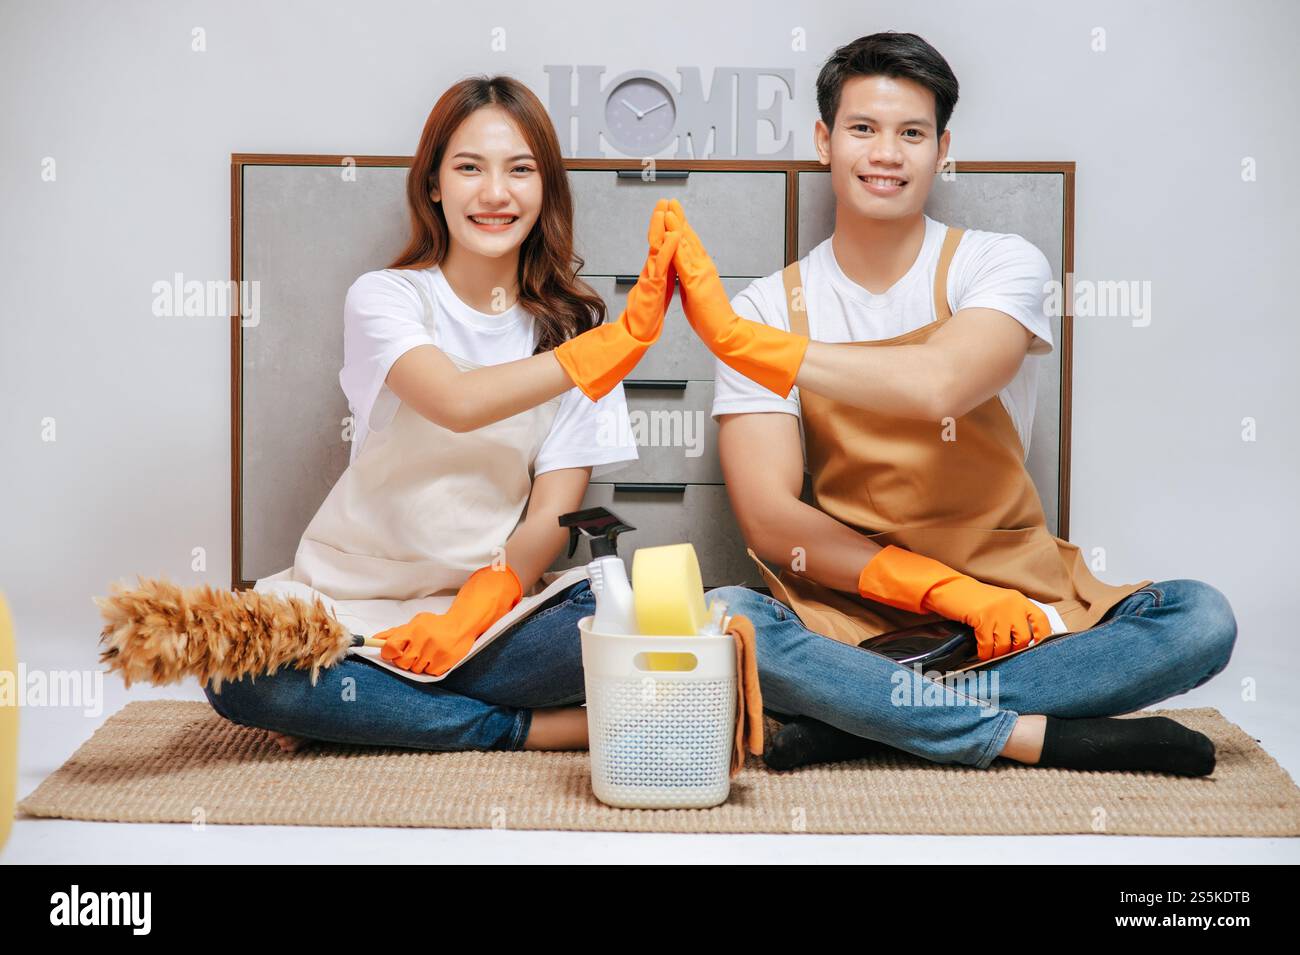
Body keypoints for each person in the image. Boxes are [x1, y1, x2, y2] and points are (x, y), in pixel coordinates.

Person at [671, 32, 1236, 776]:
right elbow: (774, 523)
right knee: (732, 621)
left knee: (1199, 619)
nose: (886, 153)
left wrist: (758, 347)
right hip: (864, 612)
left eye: (911, 133)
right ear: (823, 140)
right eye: (862, 128)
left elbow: (939, 383)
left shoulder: (997, 264)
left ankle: (861, 721)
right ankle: (1035, 735)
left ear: (942, 151)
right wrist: (945, 590)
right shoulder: (768, 305)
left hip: (1016, 604)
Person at [203, 75, 680, 754]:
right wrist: (611, 347)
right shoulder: (387, 298)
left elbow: (551, 516)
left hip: (489, 611)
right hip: (350, 602)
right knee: (237, 671)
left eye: (520, 169)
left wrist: (469, 614)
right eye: (468, 168)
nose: (494, 193)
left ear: (545, 188)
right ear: (432, 184)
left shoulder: (576, 335)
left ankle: (371, 713)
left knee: (613, 613)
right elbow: (455, 402)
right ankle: (526, 729)